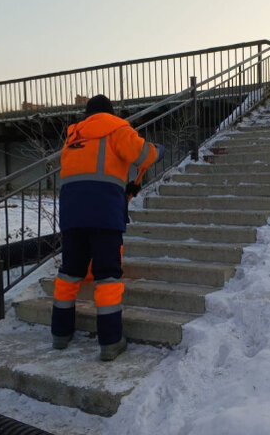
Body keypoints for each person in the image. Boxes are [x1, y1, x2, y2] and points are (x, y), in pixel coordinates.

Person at [51, 94, 164, 361]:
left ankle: (60, 334)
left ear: (87, 114)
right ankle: (111, 342)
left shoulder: (73, 138)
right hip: (104, 215)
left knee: (69, 273)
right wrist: (160, 149)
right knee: (107, 276)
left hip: (72, 216)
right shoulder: (117, 129)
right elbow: (143, 155)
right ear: (110, 113)